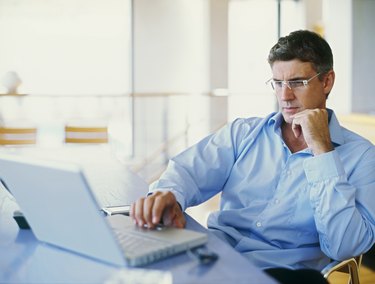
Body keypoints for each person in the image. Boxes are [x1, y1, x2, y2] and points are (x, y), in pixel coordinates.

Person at [130, 30, 375, 283]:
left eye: (298, 82)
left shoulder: (362, 156)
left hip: (284, 275)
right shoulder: (243, 133)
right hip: (215, 262)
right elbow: (188, 172)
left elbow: (345, 246)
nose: (285, 96)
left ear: (326, 82)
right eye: (278, 83)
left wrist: (323, 151)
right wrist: (170, 194)